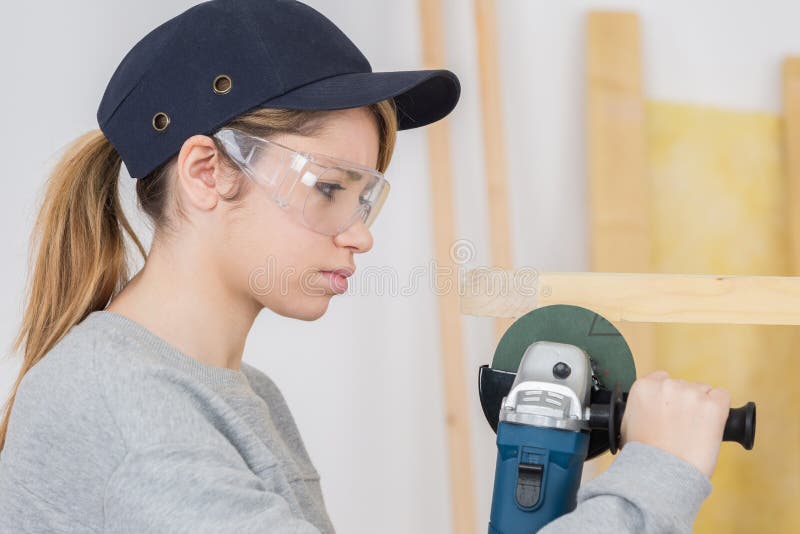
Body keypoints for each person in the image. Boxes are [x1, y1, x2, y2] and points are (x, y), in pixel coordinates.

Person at [0, 0, 730, 532]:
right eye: (328, 190)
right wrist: (657, 476)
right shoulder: (120, 403)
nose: (361, 236)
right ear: (204, 172)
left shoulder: (240, 392)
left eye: (366, 199)